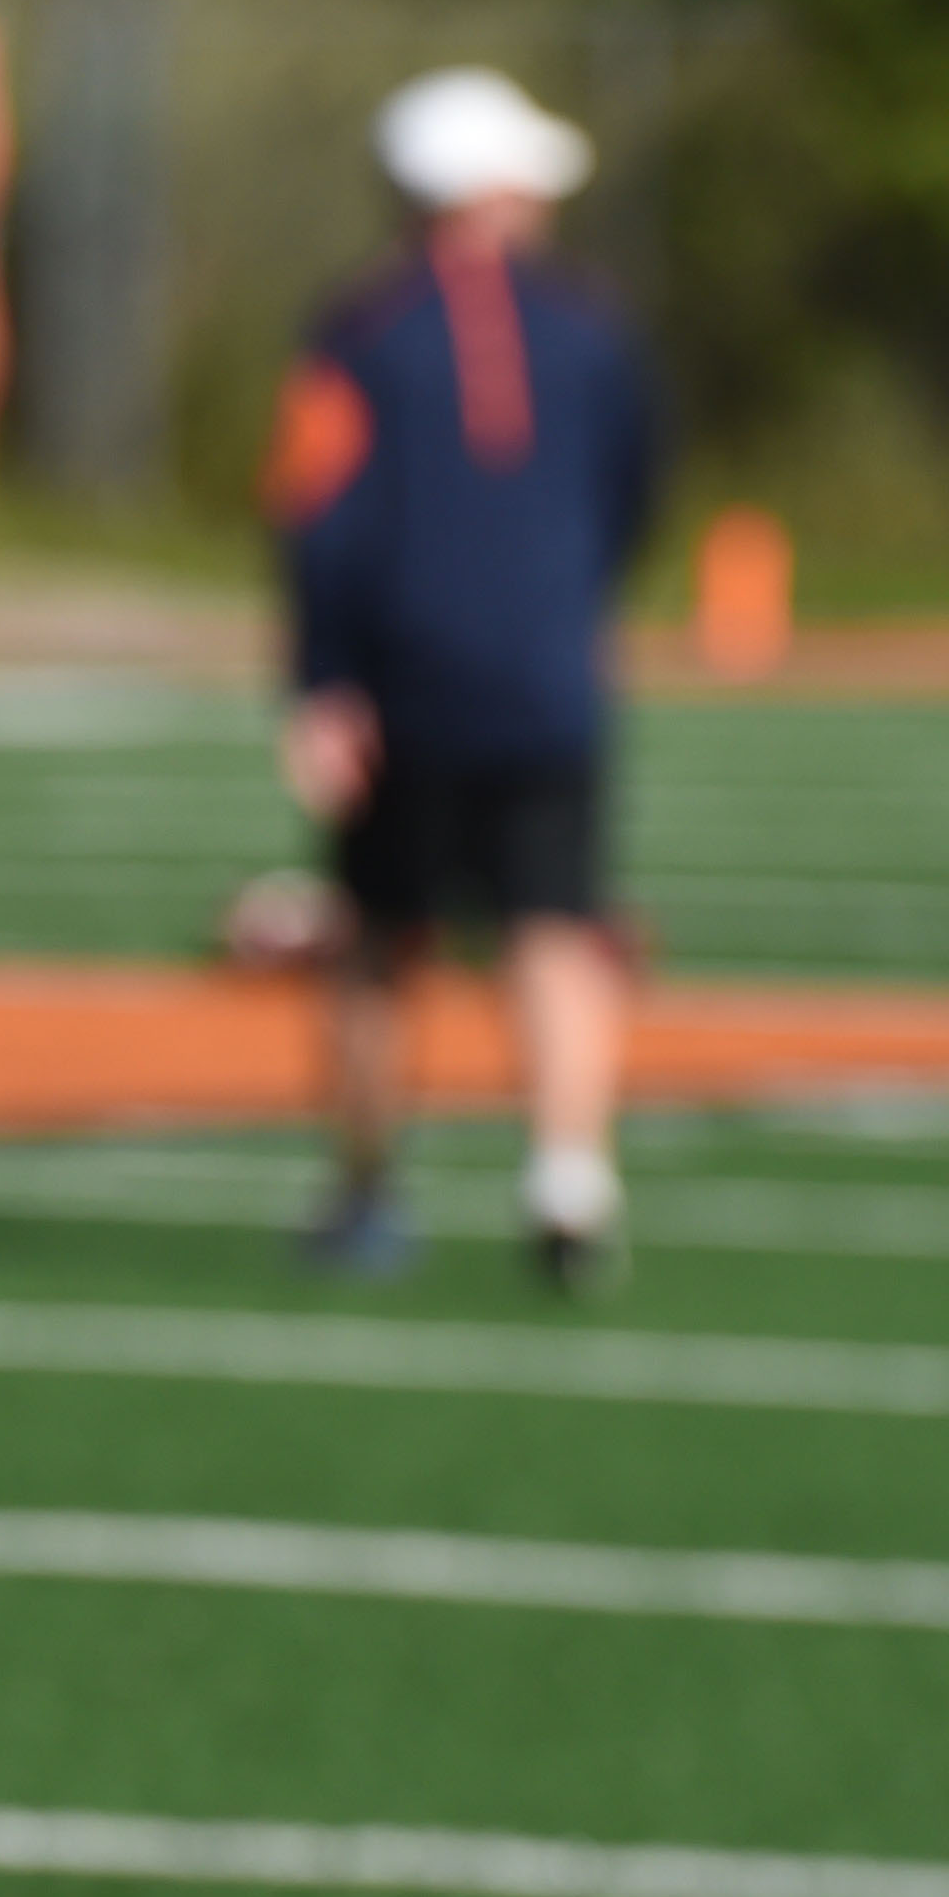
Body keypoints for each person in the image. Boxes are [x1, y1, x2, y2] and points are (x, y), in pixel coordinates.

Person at [261, 68, 659, 1292]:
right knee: (553, 923)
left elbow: (312, 512)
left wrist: (322, 678)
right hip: (549, 672)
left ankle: (367, 1189)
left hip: (406, 678)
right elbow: (635, 487)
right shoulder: (593, 324)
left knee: (382, 943)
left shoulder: (359, 330)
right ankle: (569, 1173)